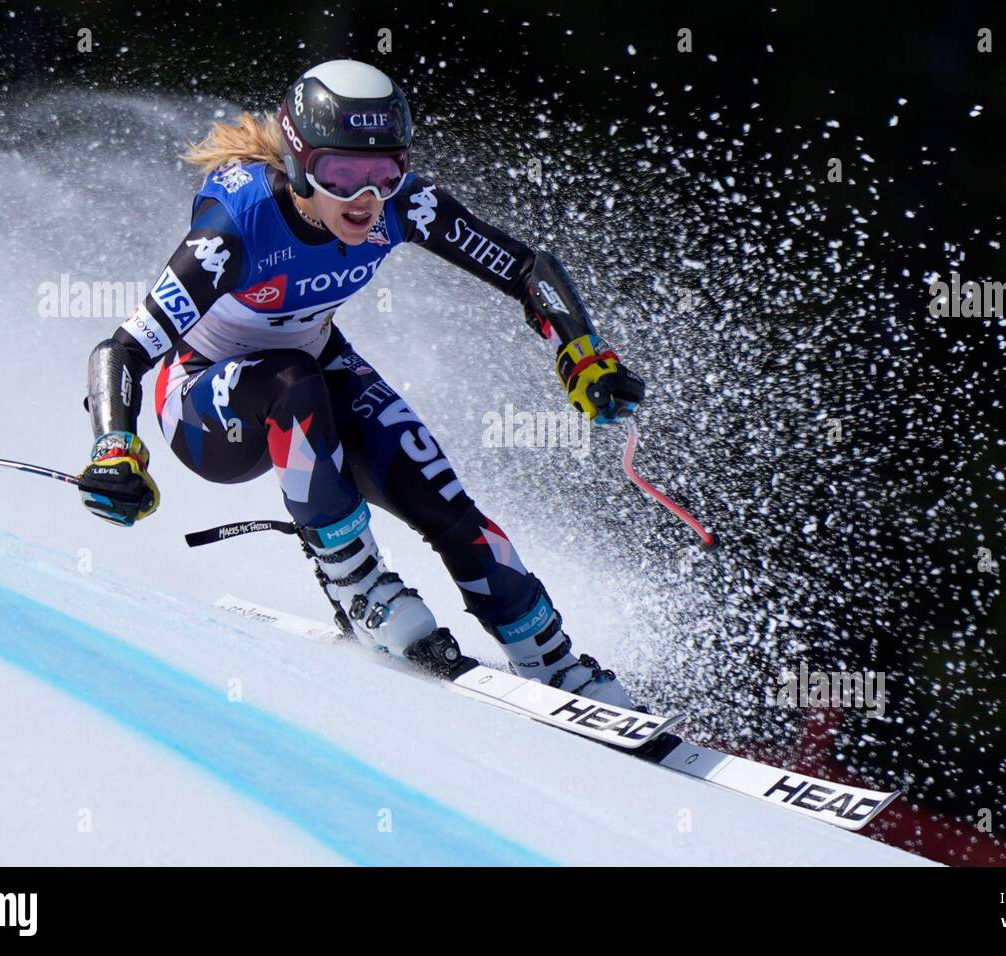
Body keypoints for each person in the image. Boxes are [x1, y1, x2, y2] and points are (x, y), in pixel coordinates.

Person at [78, 59, 646, 706]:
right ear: (297, 164)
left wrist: (582, 351)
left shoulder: (400, 207)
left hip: (317, 371)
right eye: (340, 174)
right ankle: (357, 584)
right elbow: (122, 351)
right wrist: (114, 448)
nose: (364, 198)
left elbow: (526, 268)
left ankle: (553, 659)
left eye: (385, 172)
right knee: (293, 378)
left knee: (443, 501)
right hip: (205, 405)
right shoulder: (237, 227)